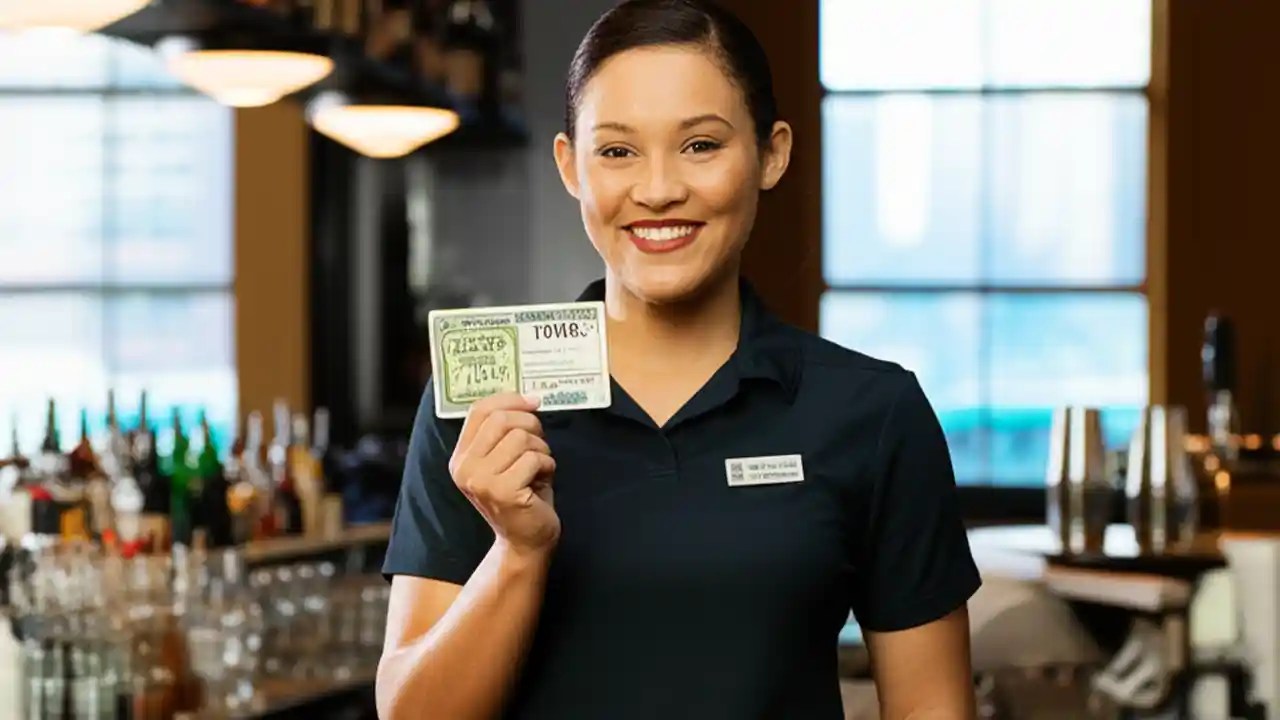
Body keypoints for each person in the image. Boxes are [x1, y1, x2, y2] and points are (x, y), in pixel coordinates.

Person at [377, 0, 982, 718]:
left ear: (772, 153)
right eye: (617, 150)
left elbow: (931, 710)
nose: (658, 189)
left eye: (700, 145)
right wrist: (518, 551)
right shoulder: (481, 404)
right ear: (571, 167)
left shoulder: (874, 414)